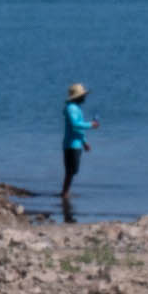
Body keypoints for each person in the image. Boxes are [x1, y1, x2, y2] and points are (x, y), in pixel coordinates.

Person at [59, 81, 94, 222]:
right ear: (77, 97)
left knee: (73, 170)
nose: (84, 97)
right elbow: (75, 125)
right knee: (71, 170)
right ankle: (65, 193)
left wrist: (84, 142)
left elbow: (78, 129)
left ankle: (65, 192)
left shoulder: (76, 108)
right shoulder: (71, 108)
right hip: (71, 144)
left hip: (77, 144)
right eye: (83, 95)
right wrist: (91, 125)